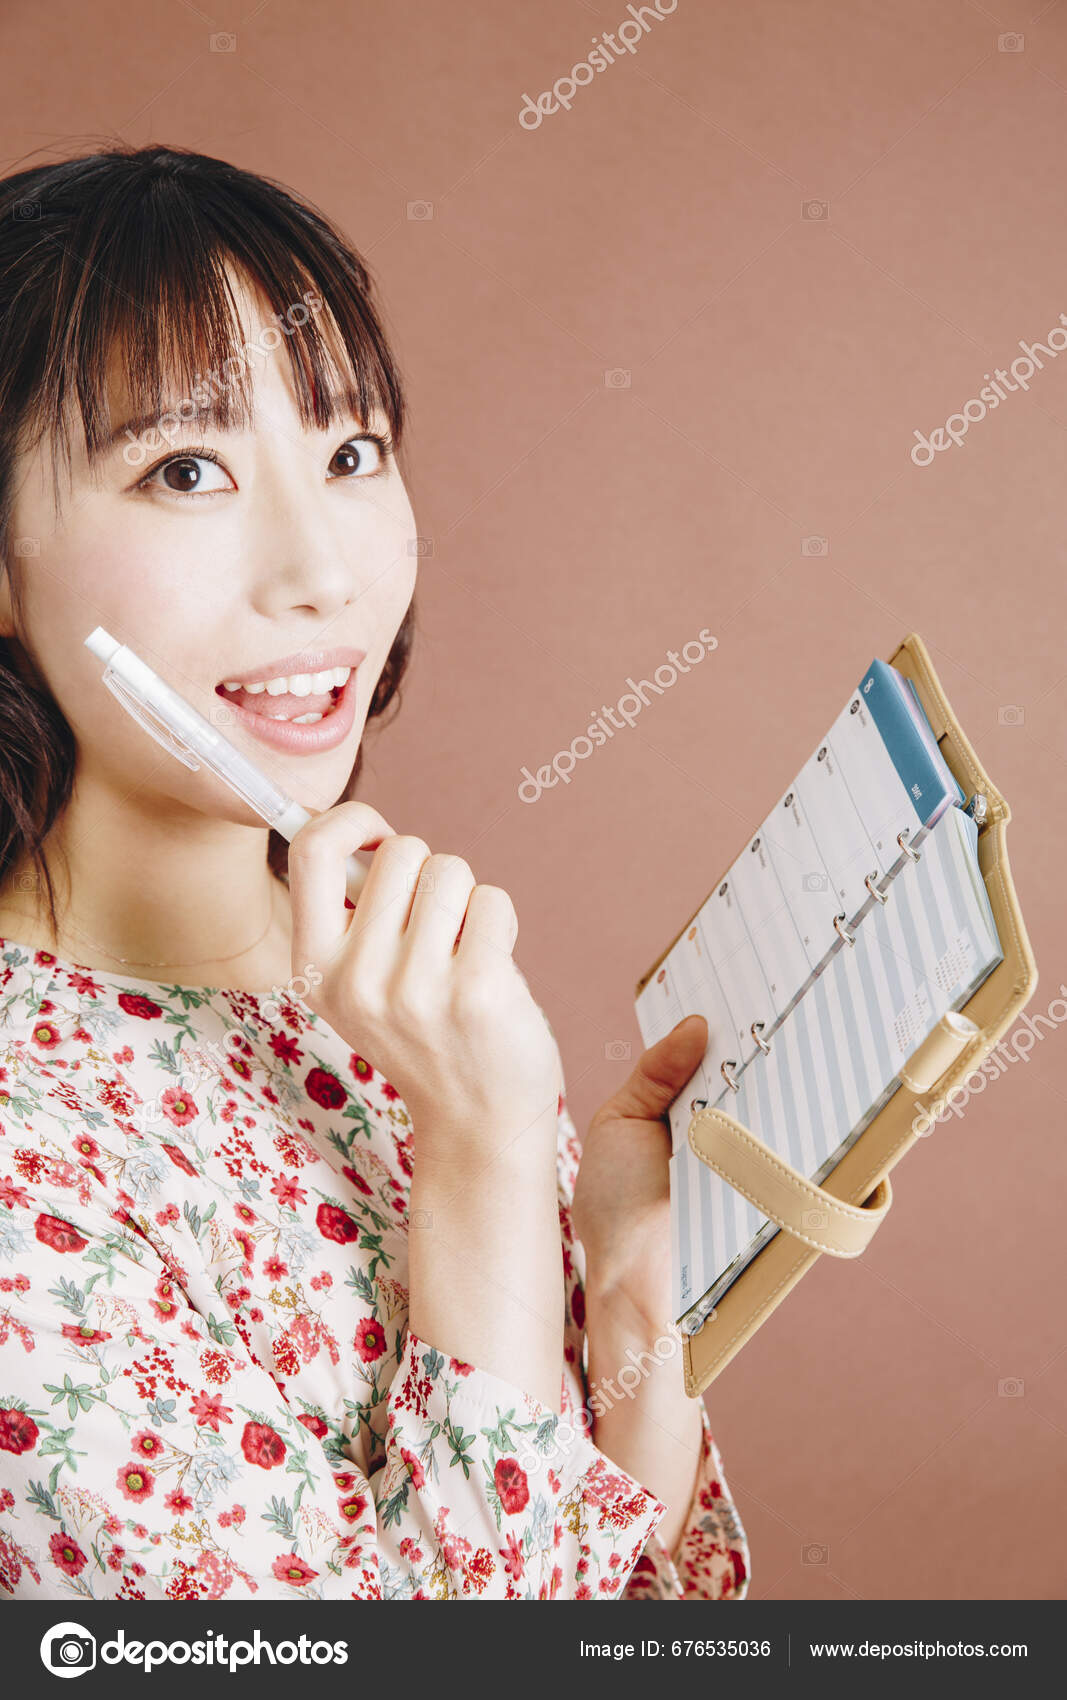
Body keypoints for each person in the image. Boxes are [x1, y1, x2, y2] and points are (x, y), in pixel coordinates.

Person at [0, 143, 749, 1600]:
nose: (324, 572)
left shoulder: (387, 1006)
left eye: (350, 453)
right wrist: (477, 1156)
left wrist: (639, 1299)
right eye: (186, 469)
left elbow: (631, 1627)